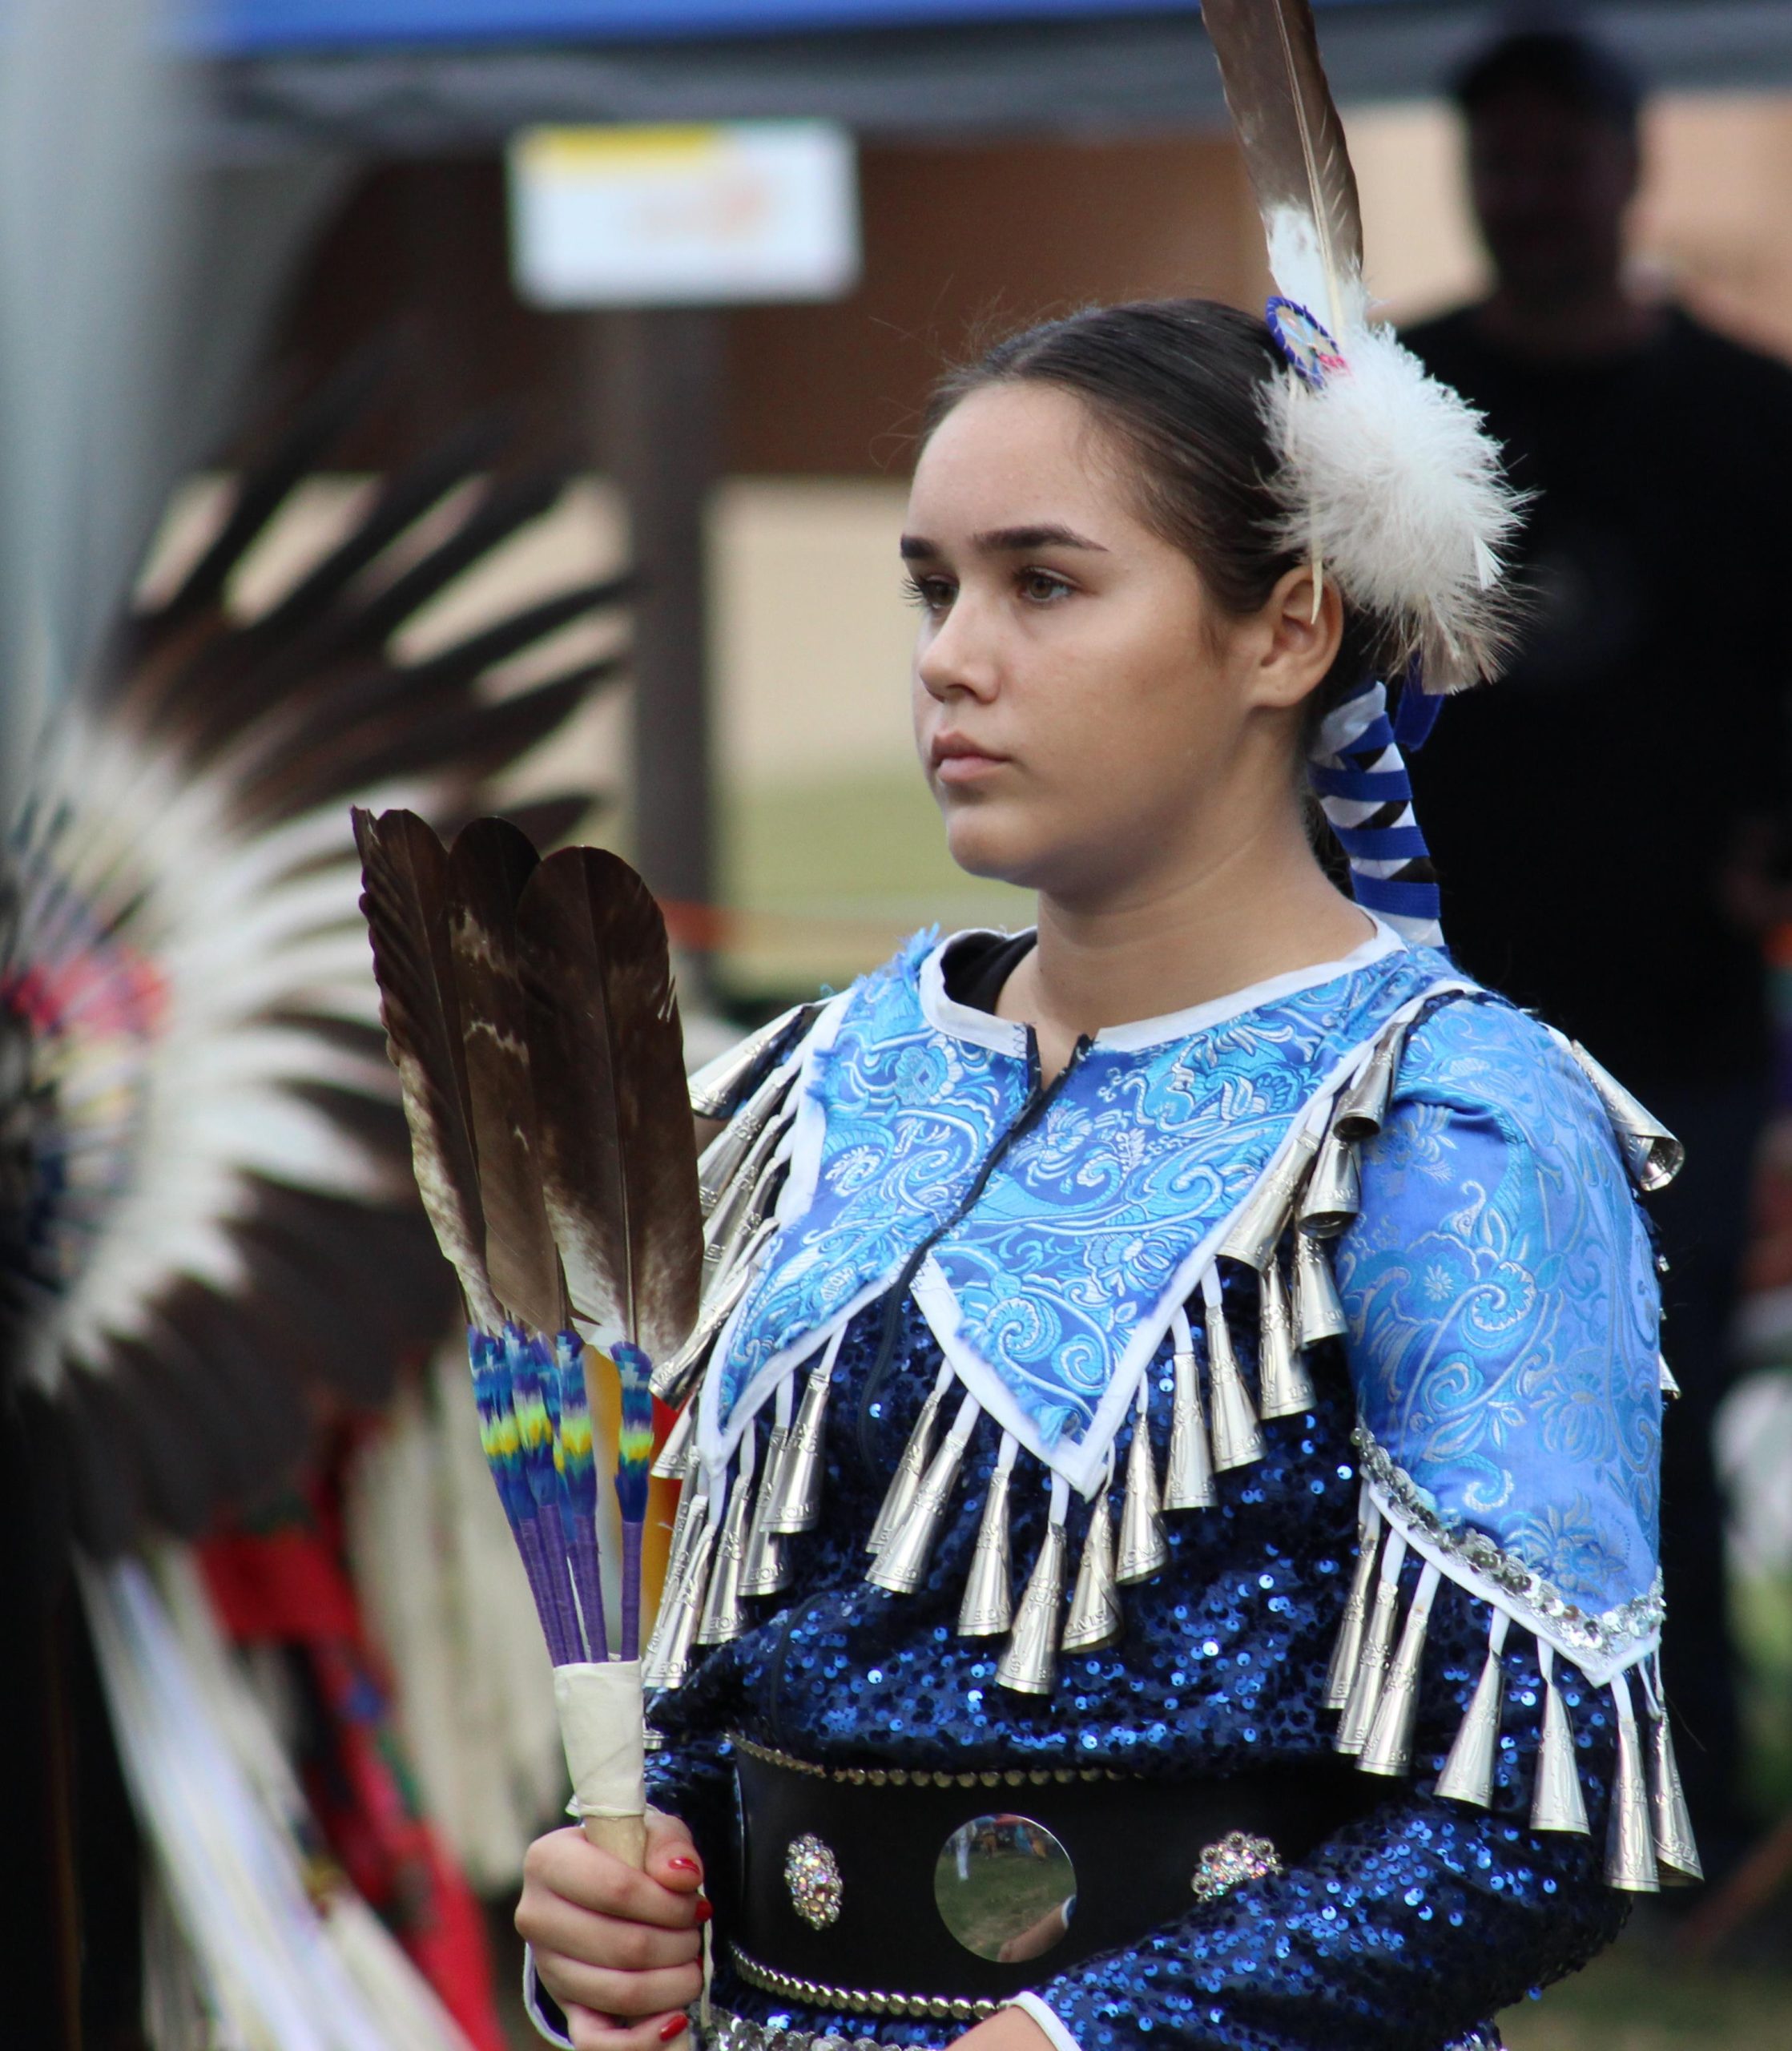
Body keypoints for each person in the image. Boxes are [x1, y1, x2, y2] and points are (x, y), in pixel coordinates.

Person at [512, 14, 1697, 2047]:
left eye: (1044, 583)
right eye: (929, 586)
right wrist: (627, 1902)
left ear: (1286, 627)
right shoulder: (839, 1078)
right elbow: (762, 1681)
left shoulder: (1447, 1119)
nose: (952, 660)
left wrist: (1102, 2032)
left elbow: (1528, 1825)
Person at [1403, 29, 1792, 1861]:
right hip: (1424, 1025)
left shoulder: (1751, 415)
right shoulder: (1396, 407)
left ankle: (1678, 1814)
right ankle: (1442, 1814)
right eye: (1505, 162)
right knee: (1415, 1419)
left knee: (1659, 1421)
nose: (1533, 193)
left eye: (1565, 160)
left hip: (1682, 1040)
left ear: (1629, 170)